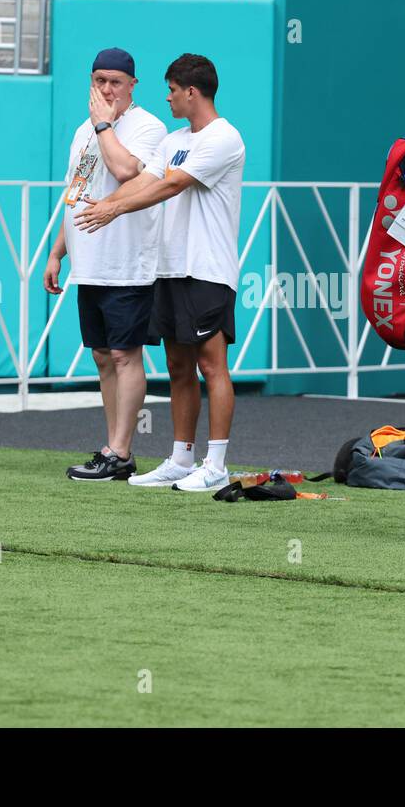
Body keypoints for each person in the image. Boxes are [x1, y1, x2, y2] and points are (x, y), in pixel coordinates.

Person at [76, 54, 245, 493]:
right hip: (169, 267)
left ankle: (217, 463)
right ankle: (181, 458)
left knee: (212, 366)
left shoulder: (224, 138)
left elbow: (169, 186)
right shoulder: (173, 139)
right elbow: (143, 180)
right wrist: (106, 202)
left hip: (208, 268)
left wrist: (113, 208)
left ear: (191, 92)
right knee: (177, 366)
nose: (167, 96)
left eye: (172, 89)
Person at [44, 47, 167, 482]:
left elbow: (126, 172)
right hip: (89, 262)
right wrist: (58, 251)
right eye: (99, 80)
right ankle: (113, 448)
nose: (107, 89)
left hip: (129, 262)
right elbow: (76, 191)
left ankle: (120, 450)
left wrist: (104, 125)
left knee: (124, 353)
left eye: (115, 81)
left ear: (132, 85)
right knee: (101, 355)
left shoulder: (149, 127)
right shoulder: (82, 131)